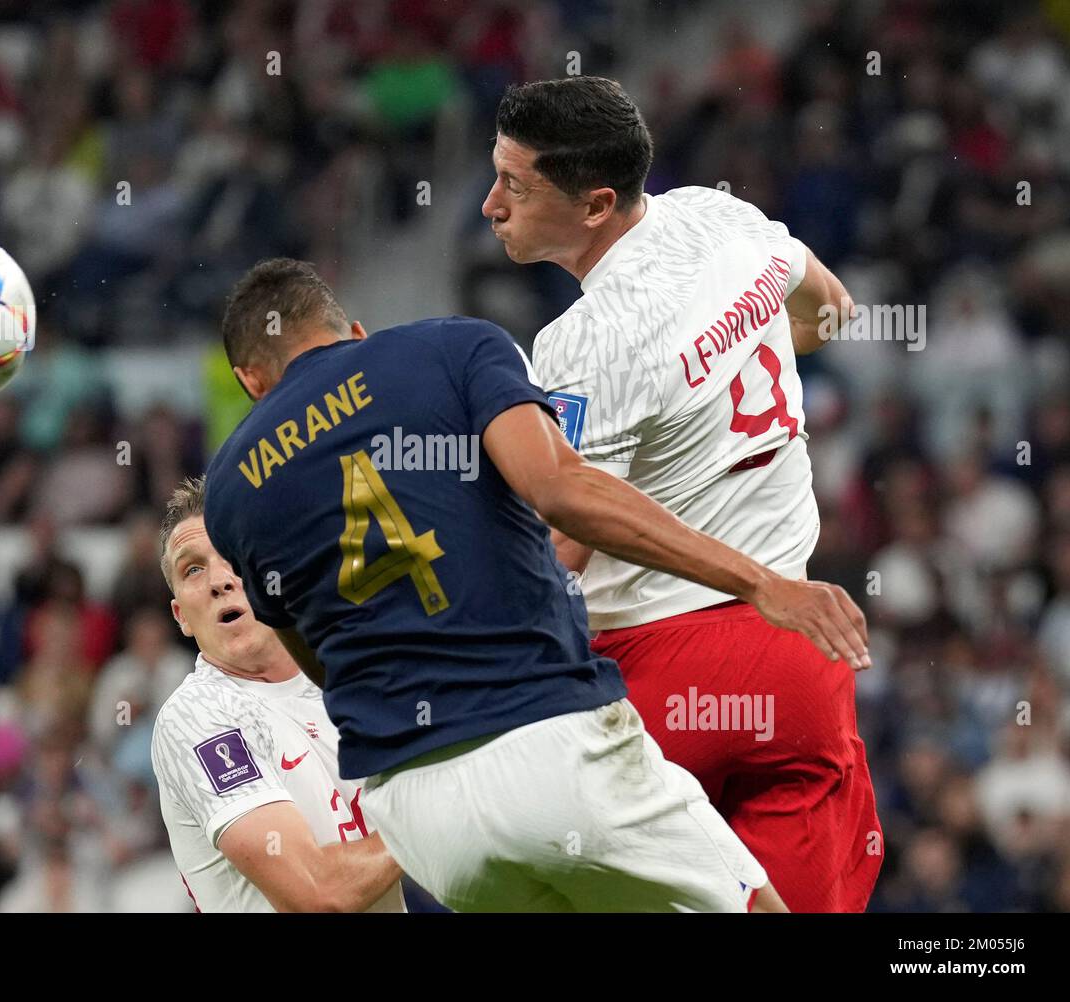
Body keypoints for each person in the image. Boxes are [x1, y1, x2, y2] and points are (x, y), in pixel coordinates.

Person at [203, 257, 869, 911]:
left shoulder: (229, 491)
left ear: (248, 380)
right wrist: (758, 583)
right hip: (550, 745)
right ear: (353, 332)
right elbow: (562, 491)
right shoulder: (450, 346)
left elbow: (320, 664)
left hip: (421, 818)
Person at [481, 76, 883, 912]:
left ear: (594, 205)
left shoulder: (582, 343)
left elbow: (567, 536)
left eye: (514, 185)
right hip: (799, 659)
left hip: (657, 683)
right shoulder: (720, 215)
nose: (490, 204)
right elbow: (832, 308)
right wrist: (727, 374)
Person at [150, 476, 404, 913]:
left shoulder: (347, 681)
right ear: (181, 616)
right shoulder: (196, 716)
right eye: (192, 569)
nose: (218, 581)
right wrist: (435, 814)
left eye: (230, 556)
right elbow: (317, 893)